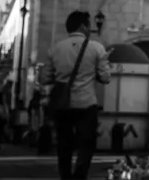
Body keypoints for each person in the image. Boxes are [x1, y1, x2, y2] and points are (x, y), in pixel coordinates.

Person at [41, 11, 112, 180]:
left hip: (63, 105)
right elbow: (105, 77)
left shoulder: (55, 48)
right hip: (86, 103)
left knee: (63, 144)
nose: (90, 29)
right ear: (82, 26)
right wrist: (102, 63)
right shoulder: (96, 48)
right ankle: (80, 175)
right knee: (86, 144)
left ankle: (65, 176)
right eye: (88, 25)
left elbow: (45, 78)